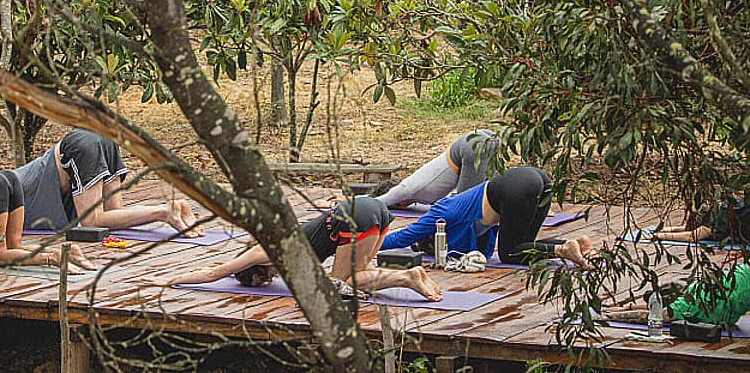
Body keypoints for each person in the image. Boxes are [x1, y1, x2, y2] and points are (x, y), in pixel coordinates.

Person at [166, 196, 442, 301]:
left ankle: (408, 278)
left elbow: (215, 272)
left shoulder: (264, 251)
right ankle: (412, 275)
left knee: (345, 281)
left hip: (352, 218)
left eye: (265, 276)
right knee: (361, 275)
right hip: (373, 210)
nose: (274, 277)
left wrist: (171, 280)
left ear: (257, 266)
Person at [379, 166, 595, 266]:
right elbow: (485, 252)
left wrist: (365, 243)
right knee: (525, 248)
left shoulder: (439, 213)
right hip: (533, 179)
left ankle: (562, 250)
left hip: (517, 187)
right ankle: (578, 244)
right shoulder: (466, 225)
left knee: (509, 254)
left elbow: (403, 237)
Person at [15, 128, 201, 236]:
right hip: (98, 137)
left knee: (93, 221)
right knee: (110, 214)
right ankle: (166, 209)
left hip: (82, 145)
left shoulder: (4, 191)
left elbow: (91, 224)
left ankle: (164, 211)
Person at [373, 129, 500, 209]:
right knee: (486, 196)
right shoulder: (419, 197)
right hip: (481, 139)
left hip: (471, 145)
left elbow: (378, 202)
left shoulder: (407, 187)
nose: (403, 205)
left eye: (397, 204)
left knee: (466, 208)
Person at [603, 265, 750, 327]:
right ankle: (613, 312)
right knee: (662, 314)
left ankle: (617, 310)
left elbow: (648, 313)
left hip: (717, 292)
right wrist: (608, 316)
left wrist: (618, 311)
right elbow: (651, 315)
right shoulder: (688, 302)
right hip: (717, 300)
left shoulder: (690, 296)